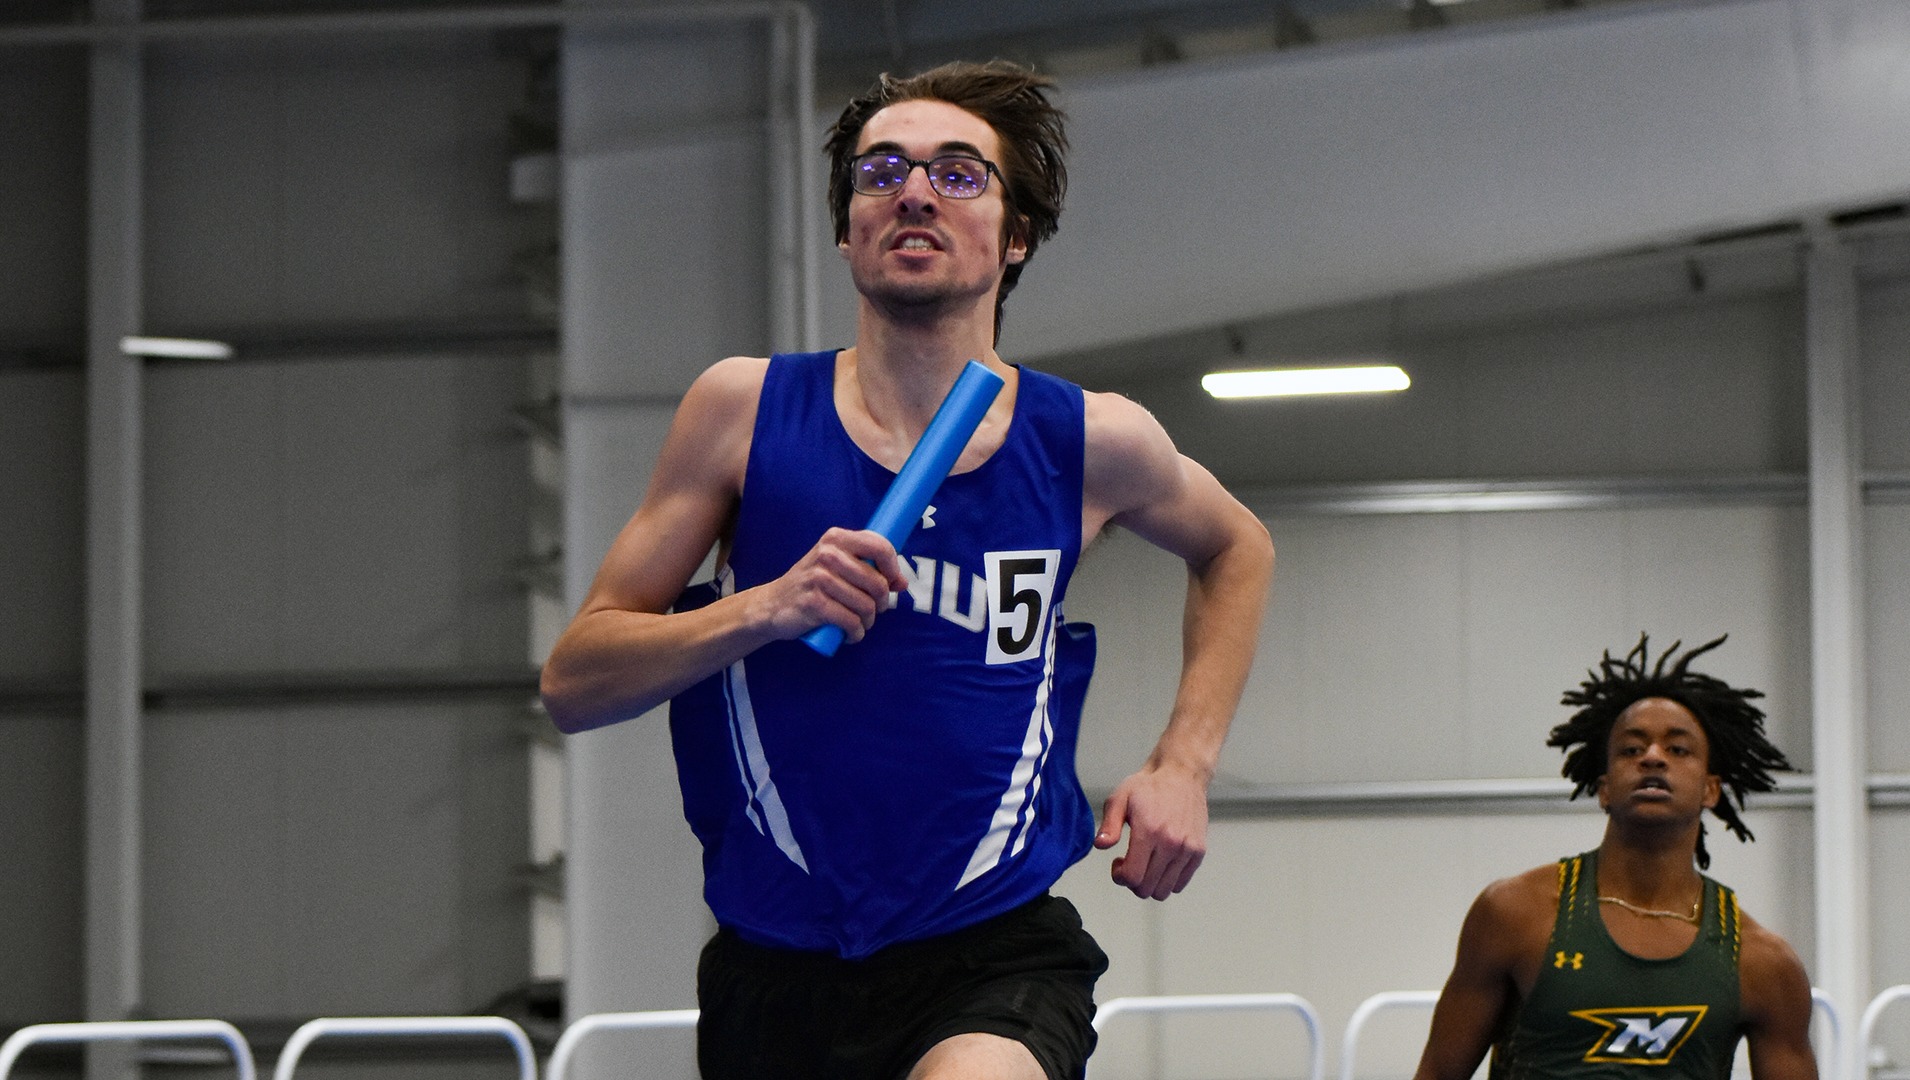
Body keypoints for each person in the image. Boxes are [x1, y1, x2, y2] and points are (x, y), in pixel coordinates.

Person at [539, 60, 1275, 1080]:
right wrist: (762, 608)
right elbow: (574, 681)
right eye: (880, 172)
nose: (914, 191)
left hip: (993, 941)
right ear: (846, 230)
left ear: (1014, 238)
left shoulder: (1089, 440)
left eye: (958, 173)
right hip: (776, 959)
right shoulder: (742, 413)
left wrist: (1182, 764)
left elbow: (1236, 546)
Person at [1412, 635, 1818, 1080]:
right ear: (1604, 789)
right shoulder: (1514, 913)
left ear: (1710, 790)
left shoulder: (1762, 962)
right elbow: (1436, 1072)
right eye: (1631, 749)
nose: (1653, 758)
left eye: (1677, 749)